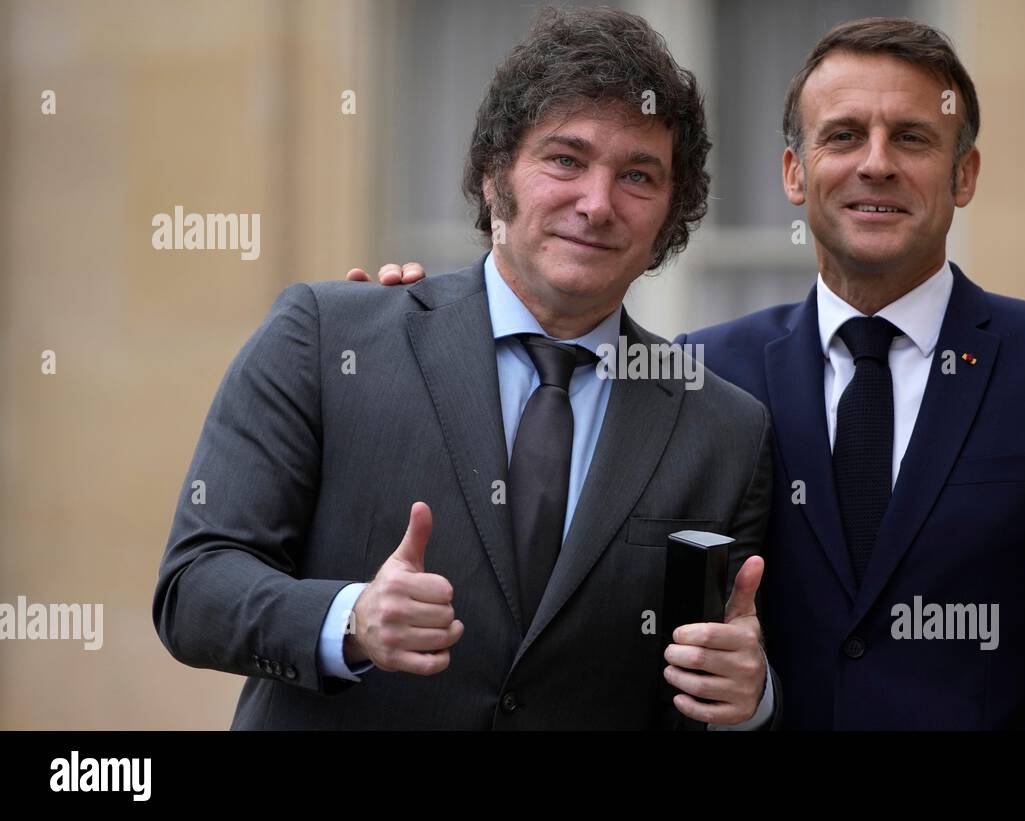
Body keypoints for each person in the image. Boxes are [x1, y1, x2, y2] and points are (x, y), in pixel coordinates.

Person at [354, 17, 1025, 730]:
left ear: (963, 175)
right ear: (794, 173)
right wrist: (418, 333)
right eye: (842, 135)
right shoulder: (696, 376)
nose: (876, 164)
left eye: (912, 139)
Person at [155, 6, 776, 731]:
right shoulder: (324, 338)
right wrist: (350, 618)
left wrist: (750, 702)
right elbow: (194, 588)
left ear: (672, 215)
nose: (597, 203)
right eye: (566, 160)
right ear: (493, 174)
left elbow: (702, 685)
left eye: (638, 175)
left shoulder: (724, 428)